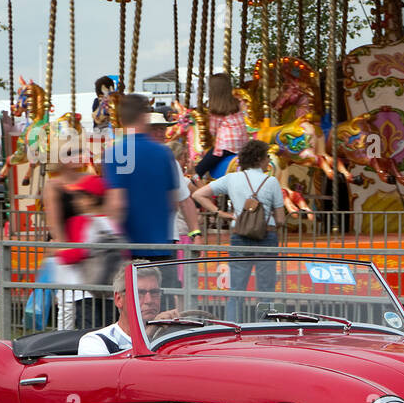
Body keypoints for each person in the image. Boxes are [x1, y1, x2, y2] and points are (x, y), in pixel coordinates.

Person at [191, 139, 285, 321]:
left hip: (239, 234)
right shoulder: (271, 181)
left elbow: (198, 194)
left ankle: (232, 328)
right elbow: (280, 218)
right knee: (266, 289)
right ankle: (265, 328)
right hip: (266, 236)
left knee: (236, 290)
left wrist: (220, 213)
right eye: (267, 157)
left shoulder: (232, 178)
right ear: (259, 158)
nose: (269, 160)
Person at [103, 93, 185, 261]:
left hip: (128, 247)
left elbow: (117, 204)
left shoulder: (115, 153)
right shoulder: (164, 153)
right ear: (144, 117)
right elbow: (174, 203)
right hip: (161, 244)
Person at [56, 175, 122, 330]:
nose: (76, 201)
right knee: (109, 330)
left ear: (91, 199)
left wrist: (60, 252)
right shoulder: (112, 223)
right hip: (109, 291)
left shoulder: (81, 221)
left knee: (89, 332)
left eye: (80, 197)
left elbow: (76, 253)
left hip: (86, 291)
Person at [78, 263, 172, 355]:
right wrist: (147, 336)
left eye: (154, 292)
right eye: (139, 293)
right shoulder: (95, 342)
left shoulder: (170, 338)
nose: (149, 300)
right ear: (119, 299)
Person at [193, 73, 249, 181]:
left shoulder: (216, 109)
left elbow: (213, 131)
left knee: (201, 167)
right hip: (242, 144)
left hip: (226, 146)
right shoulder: (238, 102)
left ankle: (193, 182)